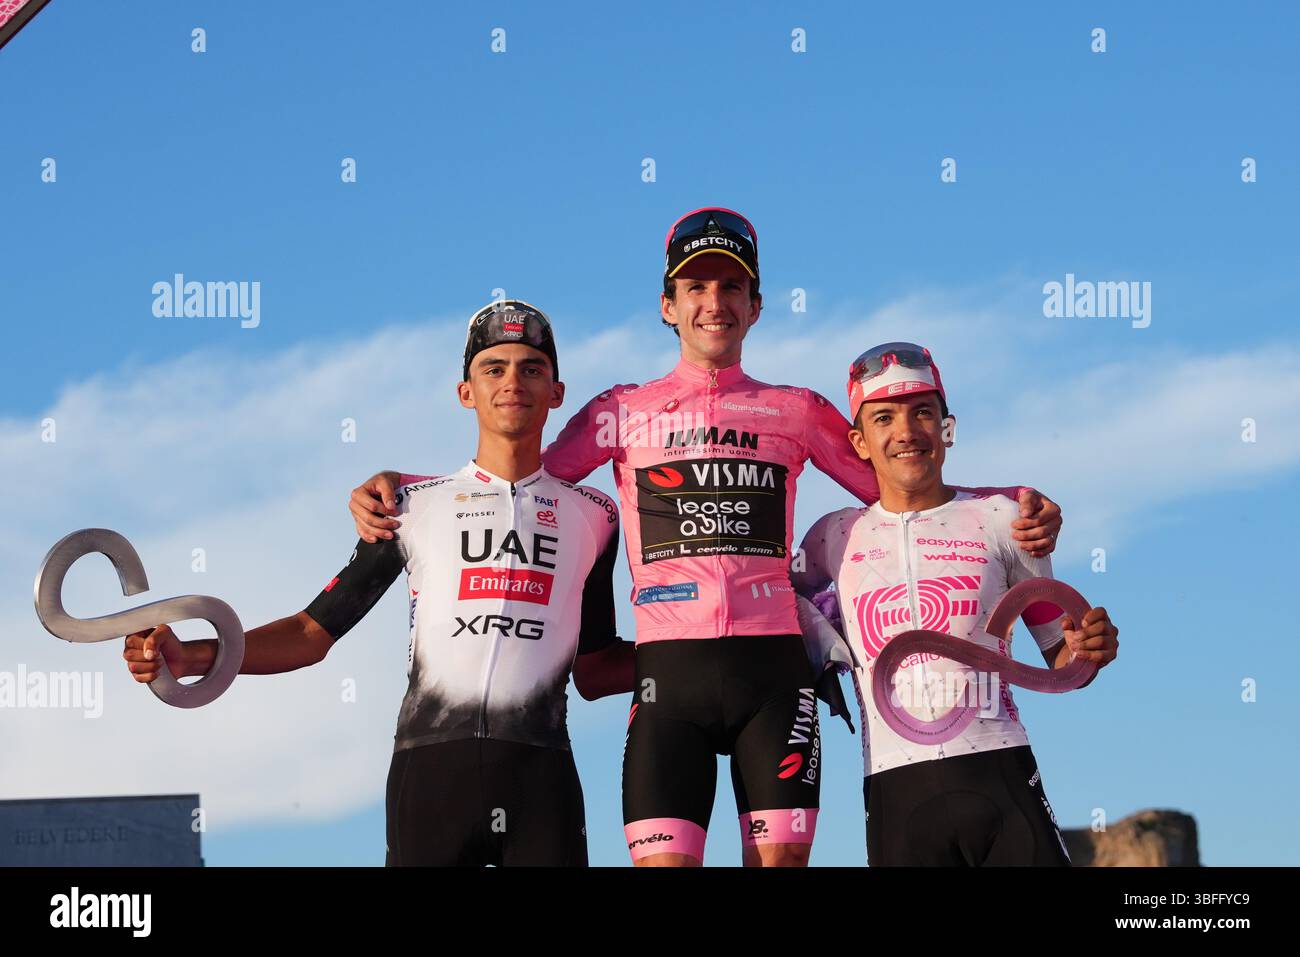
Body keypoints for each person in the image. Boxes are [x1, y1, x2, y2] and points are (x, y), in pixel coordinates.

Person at [345, 208, 1065, 867]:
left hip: (774, 678)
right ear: (668, 305)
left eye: (730, 286)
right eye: (695, 286)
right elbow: (517, 479)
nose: (713, 301)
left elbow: (902, 487)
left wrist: (1004, 507)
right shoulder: (620, 410)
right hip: (668, 680)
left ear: (754, 305)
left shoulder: (797, 410)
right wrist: (405, 483)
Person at [122, 300, 635, 867]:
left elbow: (595, 667)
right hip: (431, 771)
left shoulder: (596, 515)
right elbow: (310, 631)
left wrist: (725, 655)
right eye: (493, 368)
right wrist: (190, 655)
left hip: (543, 774)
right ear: (465, 392)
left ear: (556, 392)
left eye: (531, 368)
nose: (512, 381)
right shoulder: (408, 505)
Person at [793, 341, 1119, 866]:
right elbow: (774, 602)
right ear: (858, 440)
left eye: (924, 412)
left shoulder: (1005, 520)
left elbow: (1063, 657)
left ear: (947, 427)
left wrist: (1091, 649)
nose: (907, 432)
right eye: (884, 418)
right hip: (895, 790)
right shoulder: (833, 536)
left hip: (1002, 772)